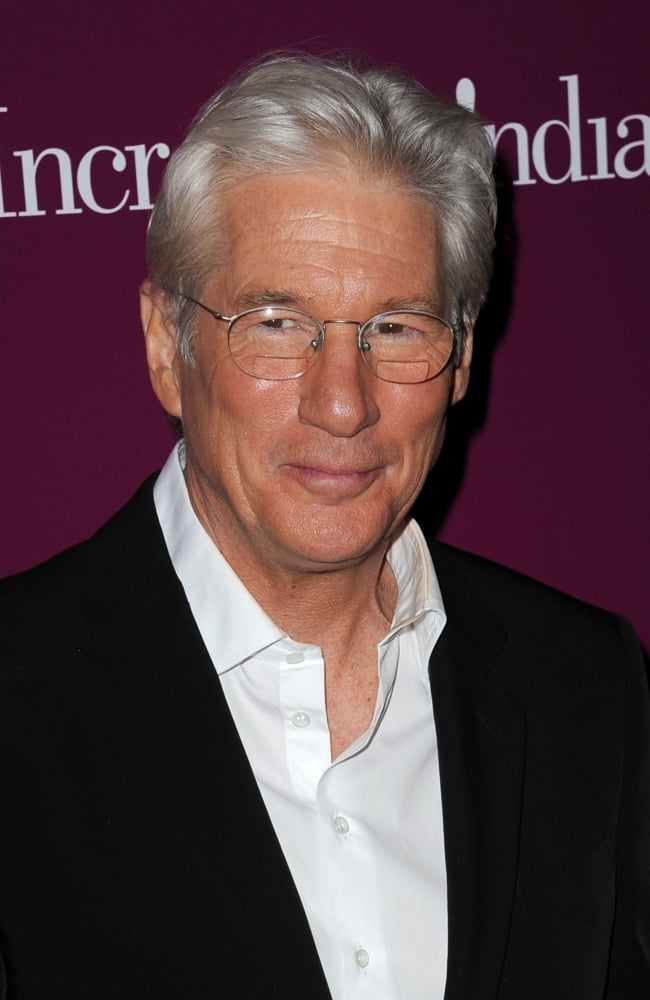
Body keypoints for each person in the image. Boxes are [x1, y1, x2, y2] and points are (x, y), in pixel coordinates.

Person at [0, 53, 648, 1000]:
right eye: (275, 322)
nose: (342, 404)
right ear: (163, 345)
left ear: (461, 360)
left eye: (396, 328)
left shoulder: (585, 686)